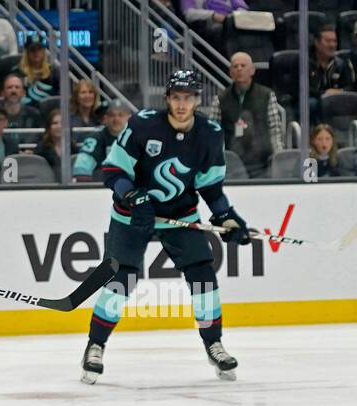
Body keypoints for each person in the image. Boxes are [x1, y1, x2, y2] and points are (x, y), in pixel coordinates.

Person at [82, 70, 247, 386]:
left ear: (197, 100)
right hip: (132, 214)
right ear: (167, 98)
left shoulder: (210, 134)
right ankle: (95, 345)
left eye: (188, 98)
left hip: (179, 215)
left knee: (202, 273)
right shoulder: (143, 124)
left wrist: (227, 217)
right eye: (176, 97)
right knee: (123, 278)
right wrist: (132, 195)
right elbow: (112, 171)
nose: (182, 104)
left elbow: (211, 188)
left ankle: (214, 343)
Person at [217, 51, 283, 180]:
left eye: (243, 65)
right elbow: (214, 132)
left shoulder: (267, 95)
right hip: (232, 163)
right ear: (230, 72)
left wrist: (278, 156)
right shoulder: (220, 99)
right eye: (235, 66)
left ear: (252, 70)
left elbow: (275, 129)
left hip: (263, 162)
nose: (239, 69)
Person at [72, 98, 131, 181]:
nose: (116, 119)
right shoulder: (94, 139)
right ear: (105, 118)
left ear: (129, 118)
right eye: (112, 115)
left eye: (121, 115)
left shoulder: (139, 139)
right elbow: (81, 171)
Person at [308, 27, 354, 123]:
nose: (332, 45)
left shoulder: (341, 63)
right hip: (314, 101)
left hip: (336, 101)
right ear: (317, 43)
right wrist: (325, 93)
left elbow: (350, 86)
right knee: (312, 103)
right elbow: (304, 90)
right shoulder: (305, 63)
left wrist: (339, 91)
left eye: (335, 41)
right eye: (328, 41)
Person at [18, 34, 57, 105]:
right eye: (32, 50)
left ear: (44, 51)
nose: (36, 52)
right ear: (27, 53)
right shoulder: (19, 73)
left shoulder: (53, 72)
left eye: (39, 49)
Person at [33, 107, 63, 172]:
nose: (59, 126)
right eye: (55, 123)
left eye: (63, 123)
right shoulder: (41, 149)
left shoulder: (73, 147)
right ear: (49, 127)